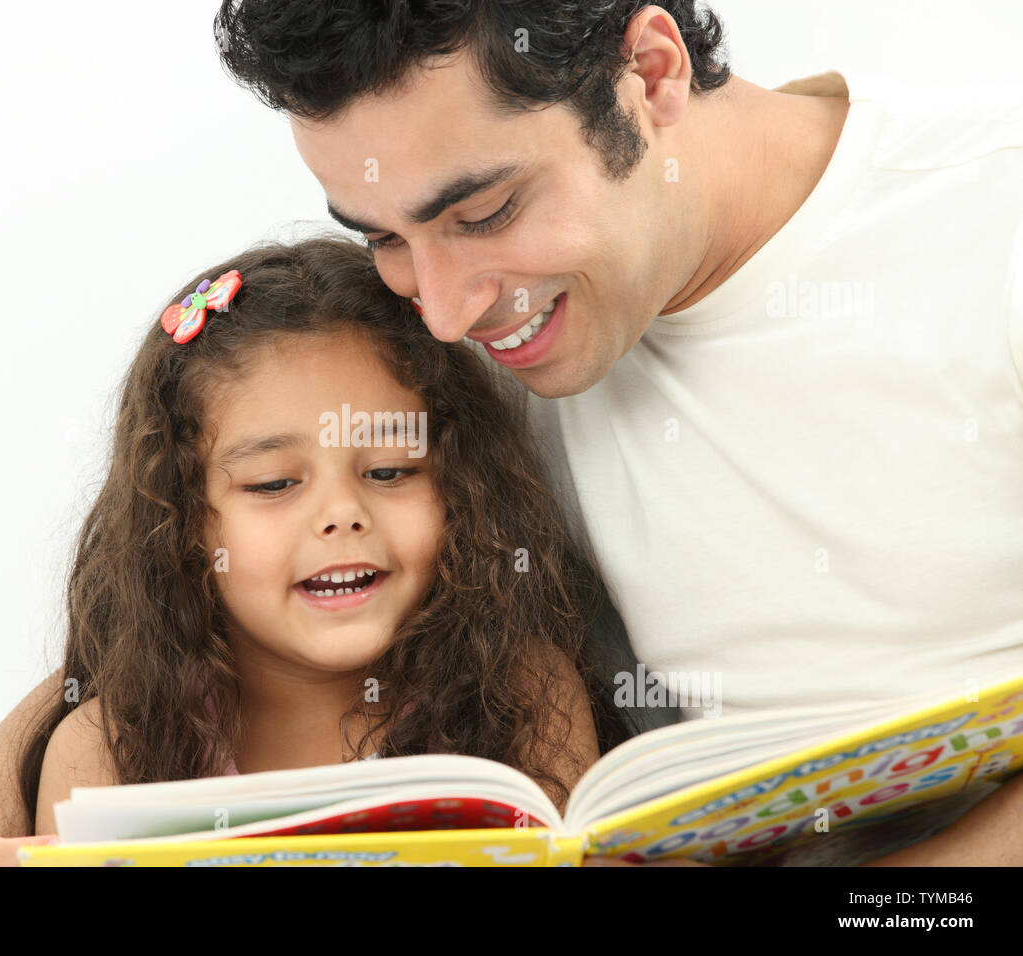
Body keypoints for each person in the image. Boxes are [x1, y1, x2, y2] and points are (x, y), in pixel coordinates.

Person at [209, 0, 1023, 864]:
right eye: (384, 237)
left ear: (650, 72)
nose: (446, 314)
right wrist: (49, 769)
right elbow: (177, 602)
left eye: (484, 214)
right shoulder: (455, 366)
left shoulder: (989, 235)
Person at [0, 236, 633, 864]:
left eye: (390, 472)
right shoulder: (108, 748)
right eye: (274, 484)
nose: (342, 515)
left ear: (461, 488)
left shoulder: (520, 696)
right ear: (182, 525)